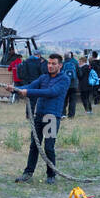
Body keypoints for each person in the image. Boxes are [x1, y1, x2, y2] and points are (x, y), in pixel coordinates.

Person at [14, 52, 70, 185]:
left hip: (51, 117)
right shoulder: (43, 78)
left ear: (60, 65)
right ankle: (28, 173)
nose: (50, 66)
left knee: (49, 147)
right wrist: (14, 89)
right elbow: (29, 86)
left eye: (53, 64)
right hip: (38, 116)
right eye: (49, 63)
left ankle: (51, 175)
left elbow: (51, 92)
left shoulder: (64, 79)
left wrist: (28, 92)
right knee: (34, 145)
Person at [63, 52, 80, 118]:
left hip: (65, 85)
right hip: (74, 84)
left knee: (64, 100)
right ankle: (71, 115)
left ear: (64, 57)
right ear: (70, 57)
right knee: (72, 100)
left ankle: (63, 114)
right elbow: (79, 73)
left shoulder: (63, 63)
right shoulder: (75, 63)